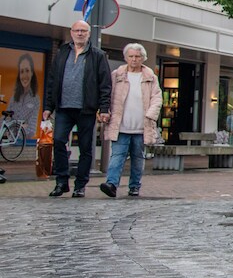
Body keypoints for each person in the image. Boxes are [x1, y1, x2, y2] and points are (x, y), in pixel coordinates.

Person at [42, 20, 112, 197]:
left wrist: (104, 108)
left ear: (88, 34)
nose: (80, 33)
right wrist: (48, 106)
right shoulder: (62, 52)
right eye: (77, 30)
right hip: (63, 107)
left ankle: (80, 185)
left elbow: (105, 84)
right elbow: (52, 81)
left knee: (85, 148)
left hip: (86, 109)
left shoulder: (97, 55)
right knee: (58, 141)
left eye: (83, 31)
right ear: (71, 32)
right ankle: (61, 182)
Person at [100, 43, 162, 198]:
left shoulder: (150, 77)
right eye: (131, 56)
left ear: (143, 58)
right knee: (117, 155)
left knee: (137, 157)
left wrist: (150, 115)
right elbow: (107, 94)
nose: (134, 59)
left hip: (141, 126)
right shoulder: (117, 75)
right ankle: (111, 184)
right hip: (121, 125)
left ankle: (134, 186)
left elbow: (157, 98)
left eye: (137, 56)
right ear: (126, 58)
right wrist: (104, 110)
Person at [10, 53, 41, 136]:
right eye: (21, 71)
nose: (24, 75)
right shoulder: (14, 98)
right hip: (10, 141)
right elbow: (4, 122)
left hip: (23, 141)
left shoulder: (35, 99)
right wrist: (22, 125)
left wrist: (12, 126)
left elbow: (32, 130)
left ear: (31, 73)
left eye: (27, 70)